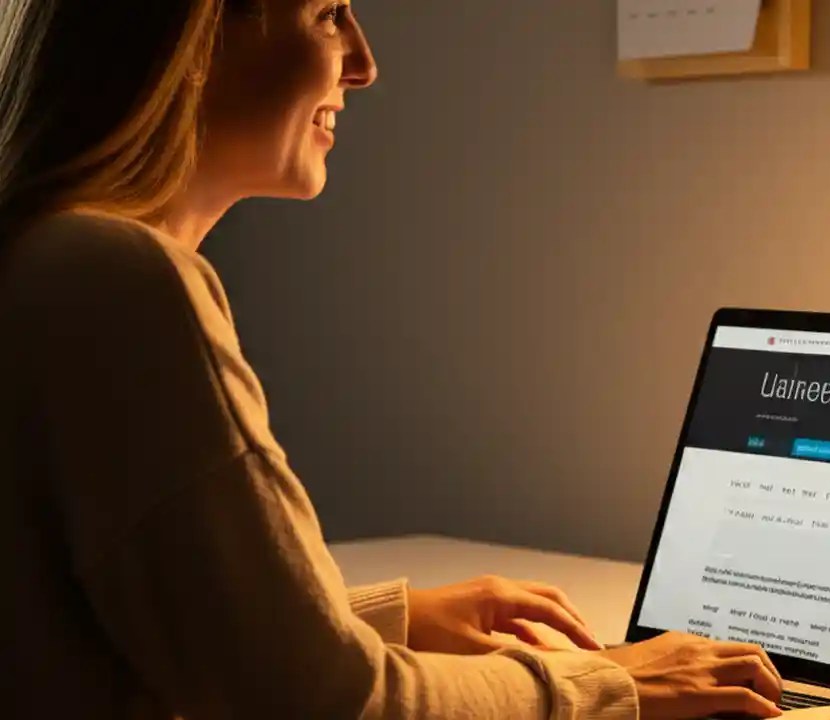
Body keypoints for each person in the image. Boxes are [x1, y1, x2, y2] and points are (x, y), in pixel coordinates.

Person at [0, 2, 786, 718]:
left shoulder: (46, 259)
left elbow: (160, 636)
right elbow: (334, 704)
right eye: (328, 15)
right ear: (194, 35)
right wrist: (620, 683)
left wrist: (382, 618)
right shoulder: (118, 284)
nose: (365, 63)